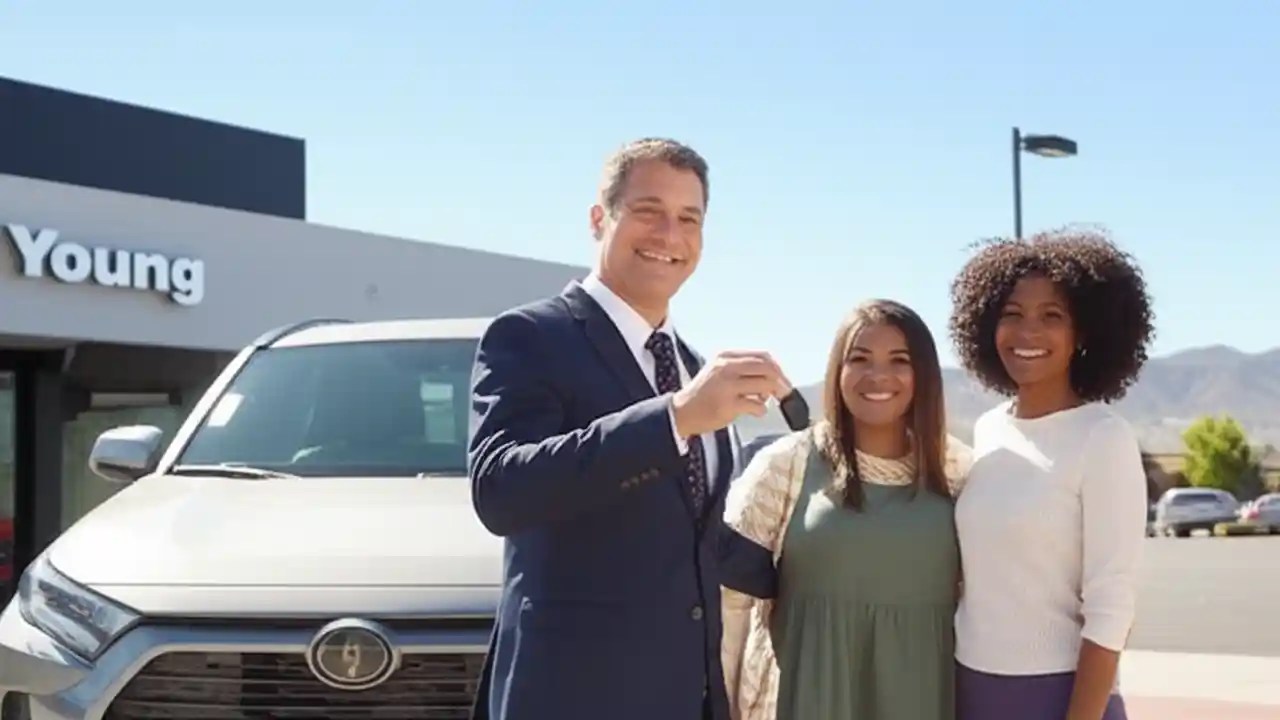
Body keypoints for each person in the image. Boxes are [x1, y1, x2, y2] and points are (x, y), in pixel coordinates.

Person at [467, 137, 792, 720]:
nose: (671, 236)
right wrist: (675, 419)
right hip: (572, 699)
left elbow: (693, 538)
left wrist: (830, 551)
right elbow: (500, 491)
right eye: (649, 212)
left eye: (689, 219)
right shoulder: (530, 337)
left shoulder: (691, 365)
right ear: (600, 219)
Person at [720, 299, 973, 720]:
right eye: (860, 358)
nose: (878, 376)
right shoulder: (785, 466)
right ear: (837, 371)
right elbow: (731, 607)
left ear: (924, 375)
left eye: (899, 360)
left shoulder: (961, 474)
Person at [946, 227, 1155, 720]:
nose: (1028, 333)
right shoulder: (989, 429)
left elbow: (1112, 607)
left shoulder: (1103, 438)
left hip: (1061, 696)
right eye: (1012, 315)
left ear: (1083, 333)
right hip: (970, 689)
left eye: (1051, 316)